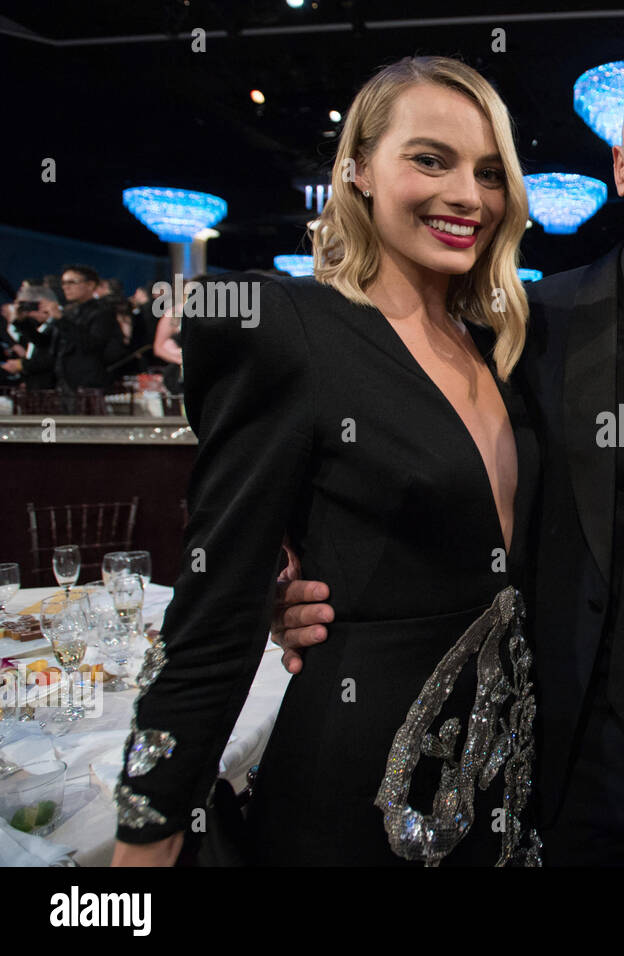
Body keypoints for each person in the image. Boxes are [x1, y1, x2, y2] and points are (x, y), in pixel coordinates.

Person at [276, 60, 624, 866]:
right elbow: (404, 463)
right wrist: (295, 569)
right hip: (553, 743)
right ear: (620, 168)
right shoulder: (525, 329)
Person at [110, 55, 541, 867]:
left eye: (489, 172)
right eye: (429, 159)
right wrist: (147, 838)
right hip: (353, 784)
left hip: (501, 781)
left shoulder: (495, 346)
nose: (467, 196)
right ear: (358, 171)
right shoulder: (287, 328)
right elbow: (215, 610)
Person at [55, 264, 118, 393]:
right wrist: (22, 322)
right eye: (63, 283)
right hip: (62, 383)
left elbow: (92, 344)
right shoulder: (68, 312)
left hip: (88, 386)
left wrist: (61, 320)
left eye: (72, 282)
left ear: (90, 285)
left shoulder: (103, 312)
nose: (66, 287)